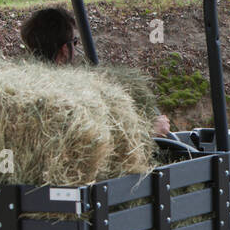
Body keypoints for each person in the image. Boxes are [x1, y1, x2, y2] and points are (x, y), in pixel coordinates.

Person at [20, 7, 171, 137]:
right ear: (65, 50)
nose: (76, 50)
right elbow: (93, 146)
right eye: (75, 42)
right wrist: (149, 132)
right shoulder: (67, 96)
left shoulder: (22, 87)